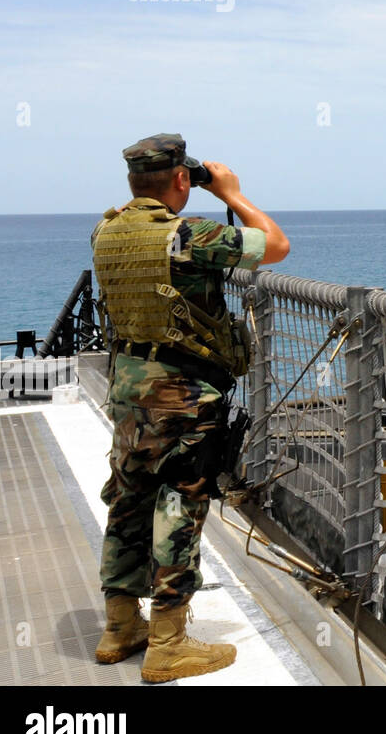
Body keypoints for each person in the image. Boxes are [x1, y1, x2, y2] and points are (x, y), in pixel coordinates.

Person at [90, 133, 289, 682]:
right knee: (179, 508)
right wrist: (233, 192)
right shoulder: (189, 234)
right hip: (183, 395)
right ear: (182, 179)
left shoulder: (105, 230)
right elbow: (274, 246)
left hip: (128, 388)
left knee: (128, 500)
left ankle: (118, 628)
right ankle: (168, 643)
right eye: (189, 179)